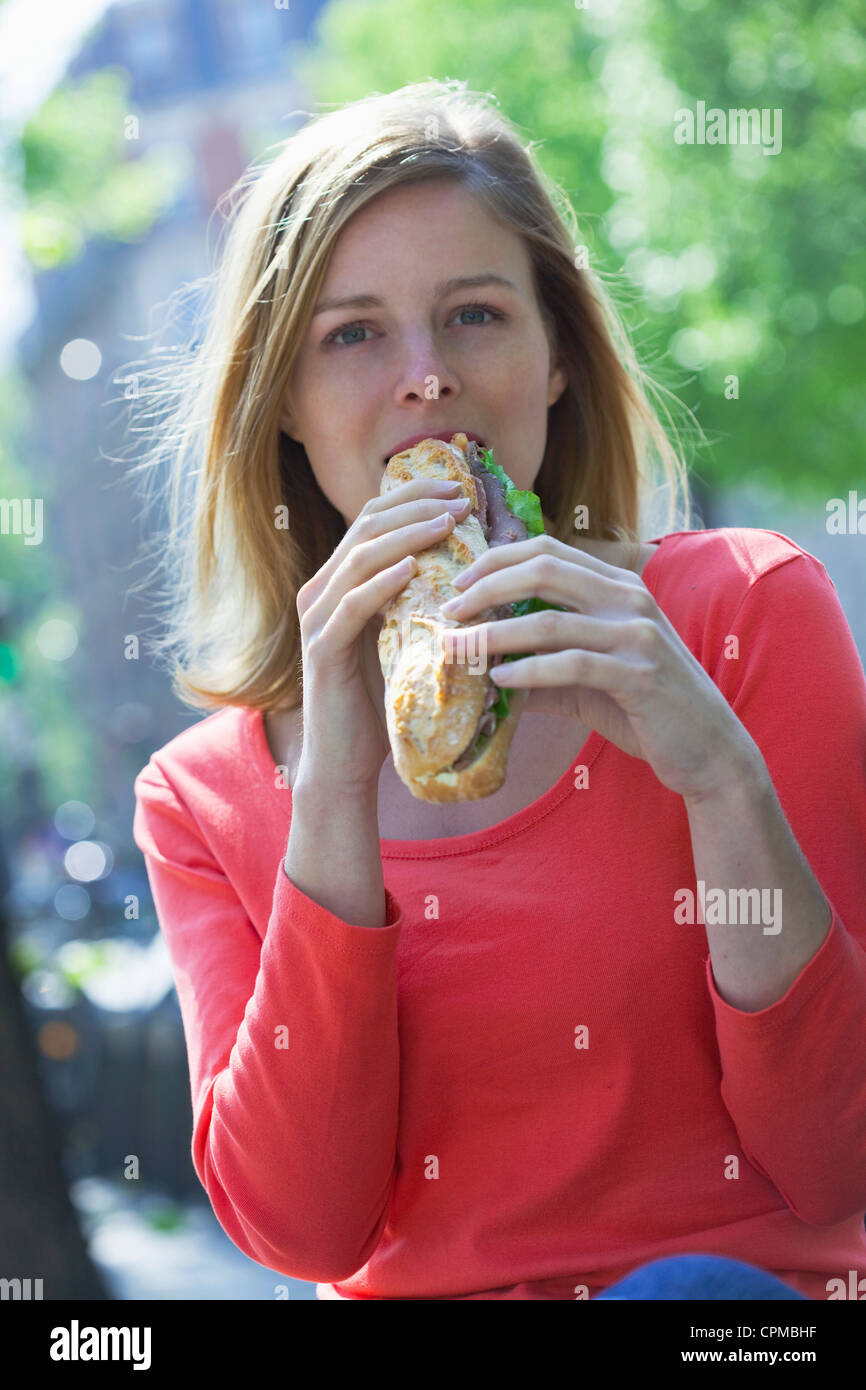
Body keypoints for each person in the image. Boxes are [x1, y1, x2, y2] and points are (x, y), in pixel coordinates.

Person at [131, 79, 866, 1301]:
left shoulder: (740, 614)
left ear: (557, 357)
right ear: (286, 412)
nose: (425, 377)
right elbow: (301, 1233)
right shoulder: (202, 796)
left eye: (473, 315)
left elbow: (838, 1164)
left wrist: (718, 780)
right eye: (351, 334)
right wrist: (335, 788)